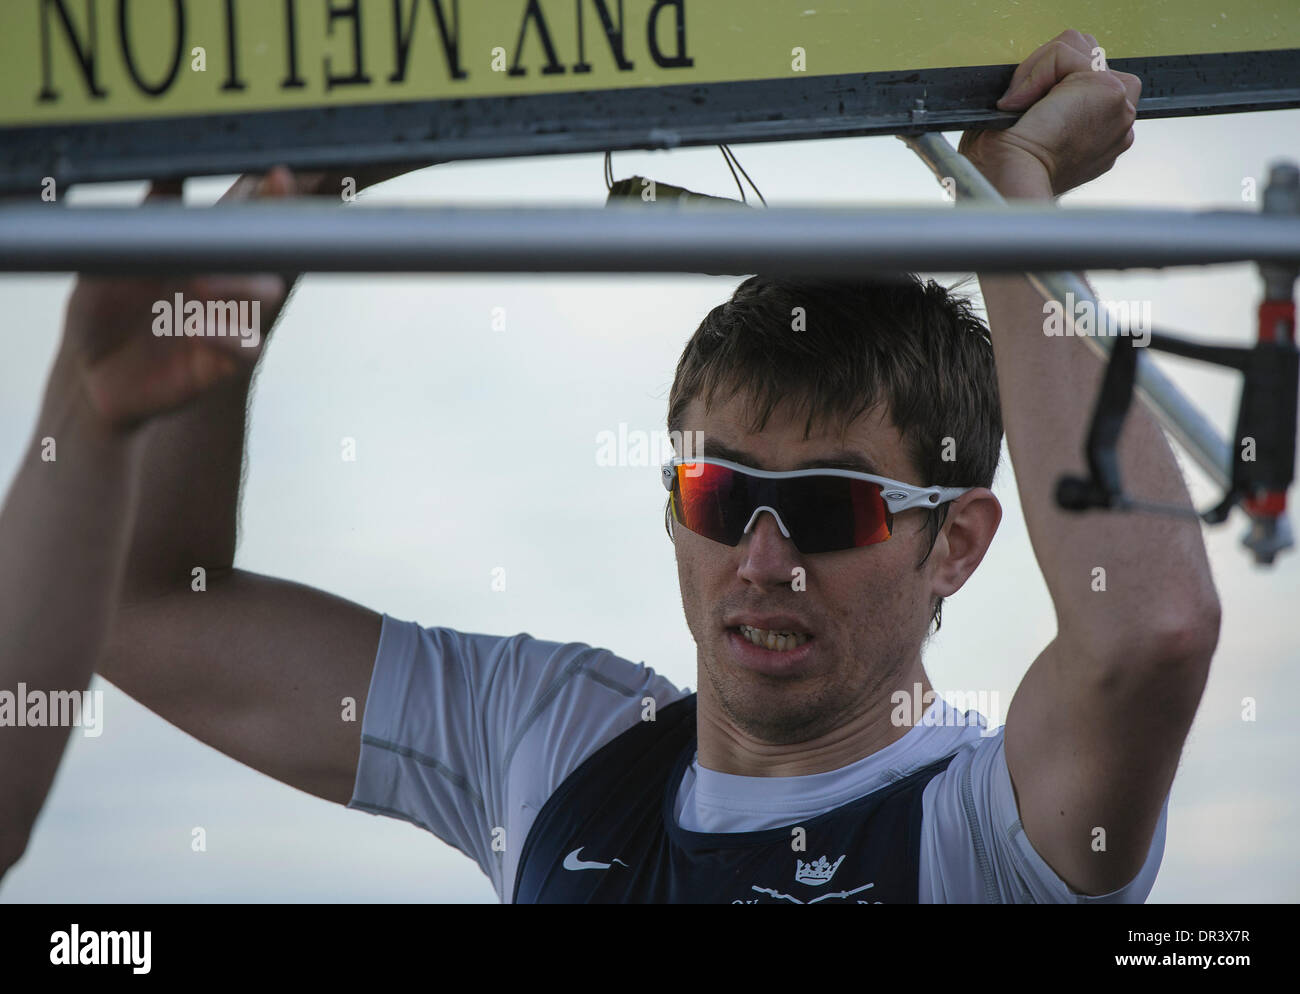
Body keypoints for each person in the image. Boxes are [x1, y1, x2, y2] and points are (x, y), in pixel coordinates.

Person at [0, 30, 1219, 902]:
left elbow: (1154, 625)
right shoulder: (556, 742)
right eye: (719, 492)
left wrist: (1012, 198)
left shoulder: (986, 830)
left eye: (828, 509)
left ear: (954, 540)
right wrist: (294, 192)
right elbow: (145, 604)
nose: (762, 557)